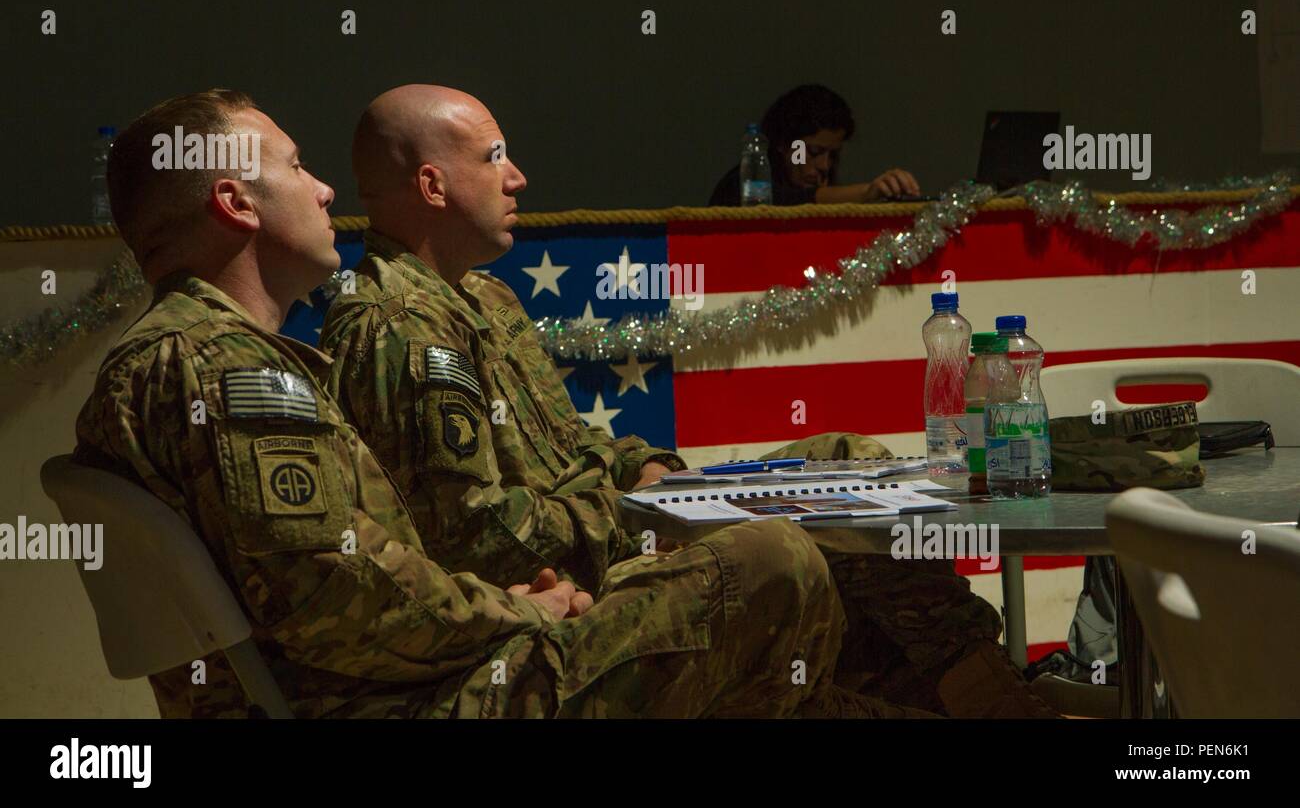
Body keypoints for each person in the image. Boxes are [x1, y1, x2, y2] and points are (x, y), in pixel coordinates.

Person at [72, 88, 902, 719]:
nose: (325, 190)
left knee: (789, 553)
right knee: (772, 563)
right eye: (295, 168)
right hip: (398, 702)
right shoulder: (217, 368)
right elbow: (342, 605)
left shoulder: (199, 358)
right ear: (235, 202)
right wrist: (528, 611)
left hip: (406, 681)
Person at [322, 84, 1056, 717]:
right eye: (493, 159)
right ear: (431, 187)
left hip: (617, 528)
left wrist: (651, 467)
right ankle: (980, 700)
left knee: (843, 458)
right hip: (576, 578)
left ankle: (974, 688)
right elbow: (473, 535)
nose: (517, 176)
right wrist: (643, 514)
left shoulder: (487, 295)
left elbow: (574, 445)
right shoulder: (398, 327)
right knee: (774, 551)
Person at [708, 84, 920, 205]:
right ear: (783, 144)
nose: (824, 166)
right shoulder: (740, 186)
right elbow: (790, 201)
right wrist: (867, 193)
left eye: (832, 156)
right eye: (814, 152)